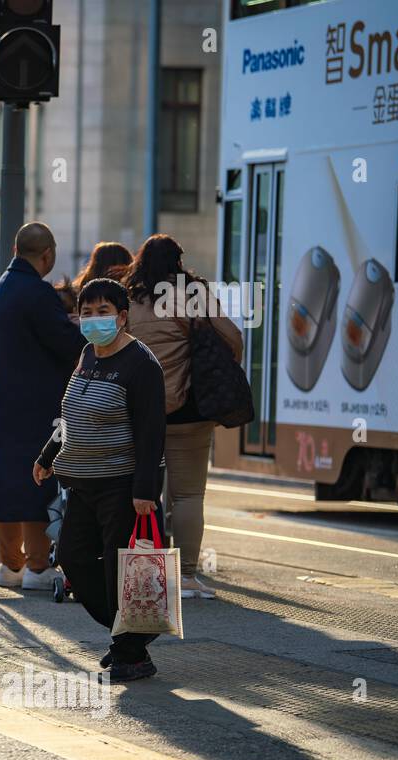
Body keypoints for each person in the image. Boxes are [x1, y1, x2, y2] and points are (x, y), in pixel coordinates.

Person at [34, 278, 168, 681]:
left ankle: (131, 653)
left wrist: (146, 490)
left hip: (121, 486)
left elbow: (151, 433)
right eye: (86, 312)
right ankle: (130, 636)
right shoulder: (87, 355)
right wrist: (49, 454)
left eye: (103, 312)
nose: (93, 320)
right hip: (83, 483)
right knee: (73, 558)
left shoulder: (140, 364)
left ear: (122, 317)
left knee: (117, 568)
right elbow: (71, 413)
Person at [124, 235, 243, 599]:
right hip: (190, 409)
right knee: (189, 495)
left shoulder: (129, 299)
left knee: (144, 492)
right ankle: (187, 576)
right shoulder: (192, 294)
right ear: (178, 261)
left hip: (142, 411)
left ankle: (145, 574)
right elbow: (234, 338)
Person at [0, 222, 86, 590]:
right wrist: (80, 328)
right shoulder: (37, 293)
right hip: (37, 405)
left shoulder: (0, 289)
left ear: (15, 250)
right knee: (37, 483)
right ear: (48, 255)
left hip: (4, 404)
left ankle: (10, 565)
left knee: (8, 485)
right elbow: (65, 343)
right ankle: (38, 567)